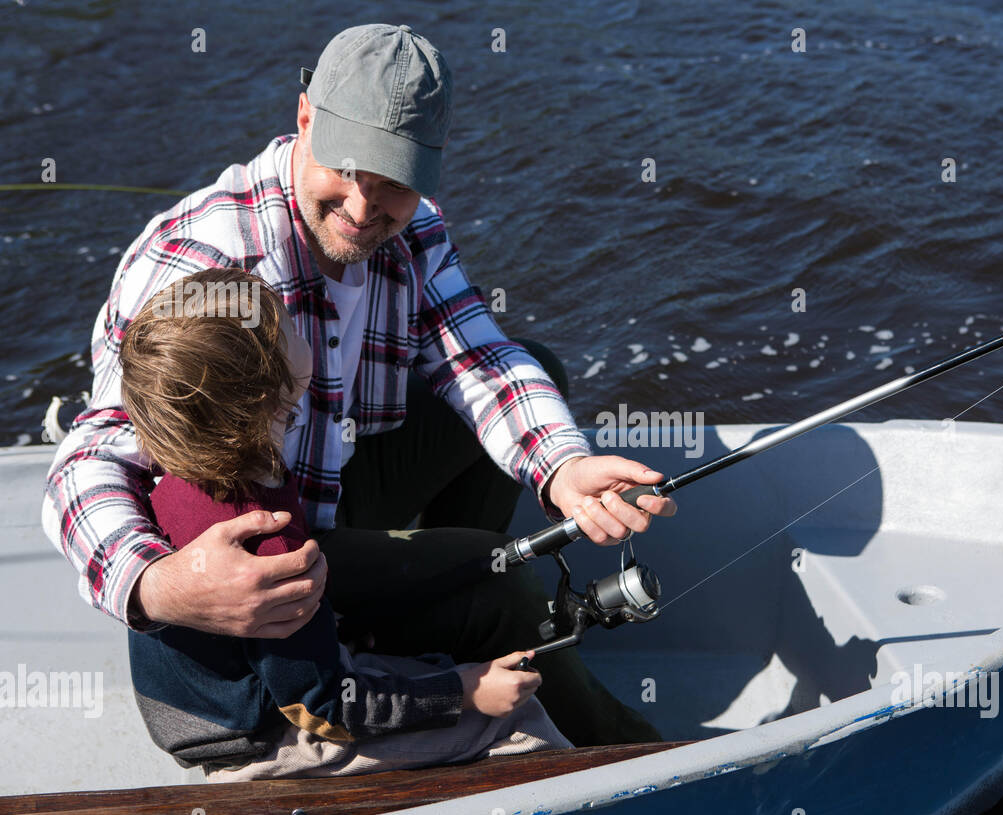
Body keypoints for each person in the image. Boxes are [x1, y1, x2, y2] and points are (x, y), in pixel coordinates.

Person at [42, 22, 675, 747]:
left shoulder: (416, 231)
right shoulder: (201, 266)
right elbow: (88, 460)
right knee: (505, 588)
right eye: (346, 169)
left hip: (337, 480)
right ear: (305, 117)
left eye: (392, 183)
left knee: (535, 368)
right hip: (275, 533)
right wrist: (160, 586)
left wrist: (563, 466)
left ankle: (410, 620)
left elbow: (480, 360)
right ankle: (631, 752)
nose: (362, 206)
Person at [118, 268, 571, 779]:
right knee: (519, 721)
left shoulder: (183, 475)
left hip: (215, 709)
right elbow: (326, 709)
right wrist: (464, 692)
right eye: (287, 327)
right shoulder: (269, 551)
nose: (302, 329)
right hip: (262, 741)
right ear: (264, 390)